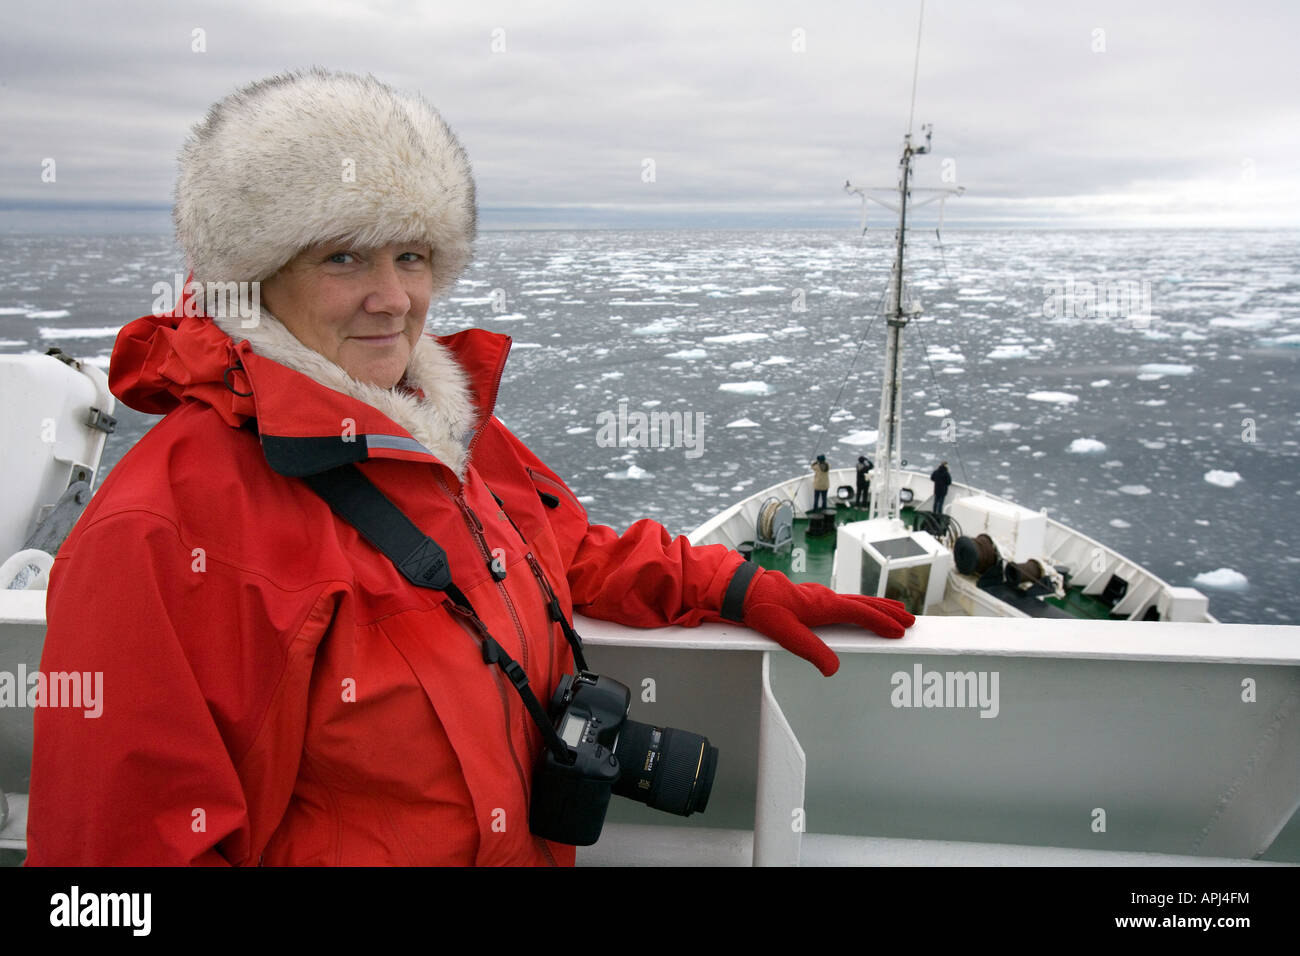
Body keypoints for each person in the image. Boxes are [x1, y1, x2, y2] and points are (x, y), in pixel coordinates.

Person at [25, 69, 915, 866]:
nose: (393, 297)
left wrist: (736, 591)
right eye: (344, 256)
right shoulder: (163, 531)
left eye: (411, 256)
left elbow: (562, 547)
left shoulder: (434, 427)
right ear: (252, 276)